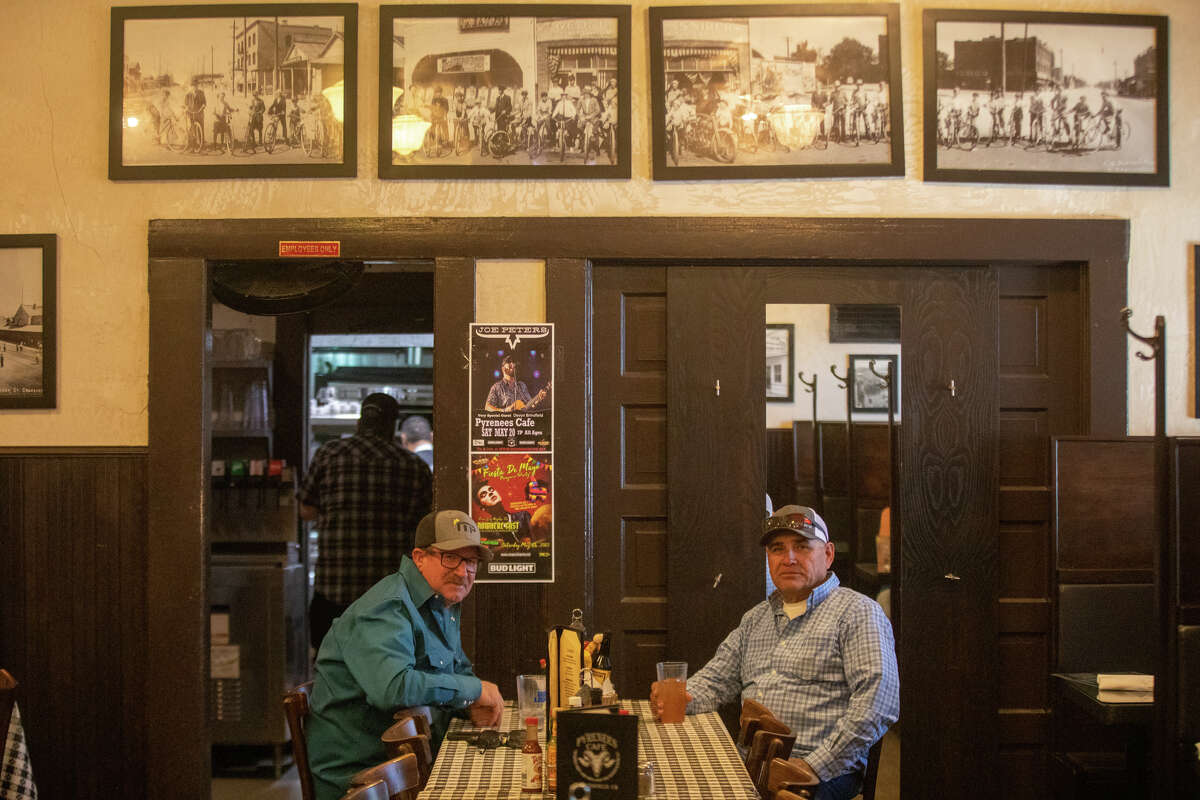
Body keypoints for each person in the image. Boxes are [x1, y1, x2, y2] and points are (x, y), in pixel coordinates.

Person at [650, 505, 898, 800]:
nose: (788, 558)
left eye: (802, 546)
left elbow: (878, 705)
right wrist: (681, 695)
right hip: (752, 764)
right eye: (777, 549)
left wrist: (811, 766)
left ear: (828, 554)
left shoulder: (858, 613)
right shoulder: (755, 618)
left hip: (821, 773)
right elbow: (715, 680)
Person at [306, 509, 505, 800]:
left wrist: (469, 703)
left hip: (403, 764)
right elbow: (394, 688)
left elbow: (457, 670)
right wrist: (473, 691)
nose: (463, 572)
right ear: (419, 557)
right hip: (362, 780)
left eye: (471, 561)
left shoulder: (440, 602)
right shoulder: (387, 607)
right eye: (451, 557)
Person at [297, 392, 433, 649]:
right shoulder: (414, 467)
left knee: (333, 664)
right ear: (393, 426)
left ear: (360, 421)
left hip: (334, 592)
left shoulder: (328, 455)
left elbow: (306, 510)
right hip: (389, 598)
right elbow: (425, 528)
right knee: (387, 665)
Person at [484, 354, 550, 412]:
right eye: (509, 362)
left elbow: (528, 406)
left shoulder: (522, 385)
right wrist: (504, 410)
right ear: (503, 368)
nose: (513, 364)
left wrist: (538, 399)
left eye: (513, 362)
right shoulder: (496, 387)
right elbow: (487, 408)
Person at [184, 80, 207, 150]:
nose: (195, 87)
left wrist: (201, 108)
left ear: (197, 86)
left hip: (199, 113)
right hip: (191, 113)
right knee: (191, 129)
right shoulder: (188, 94)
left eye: (196, 86)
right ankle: (192, 145)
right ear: (191, 87)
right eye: (193, 86)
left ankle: (201, 144)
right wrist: (186, 108)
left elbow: (204, 103)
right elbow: (185, 104)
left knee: (201, 129)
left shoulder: (201, 93)